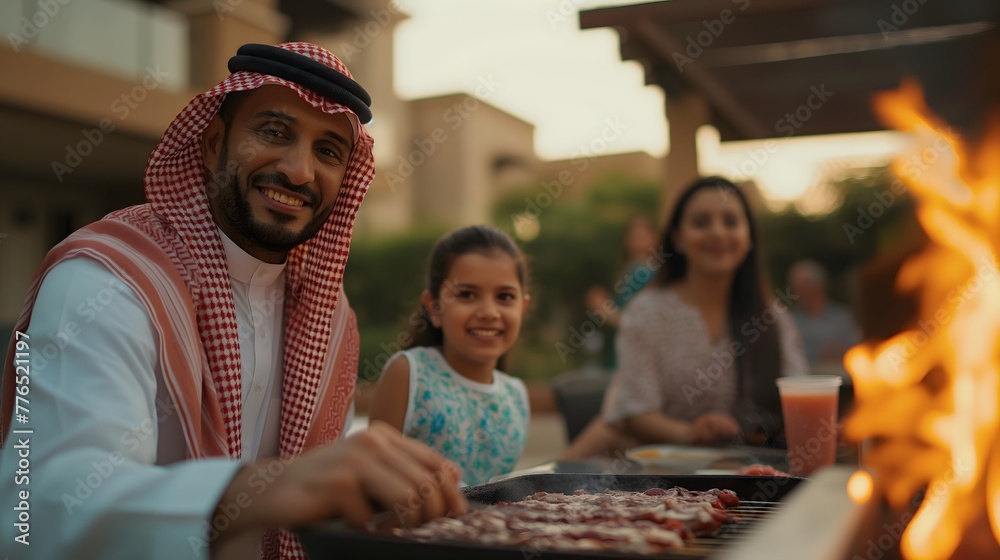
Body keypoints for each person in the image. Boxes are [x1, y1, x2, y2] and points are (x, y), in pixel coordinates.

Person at [0, 42, 465, 560]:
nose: (300, 172)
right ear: (213, 143)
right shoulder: (108, 278)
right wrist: (268, 486)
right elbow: (42, 508)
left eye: (328, 151)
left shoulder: (332, 319)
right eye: (274, 132)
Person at [561, 176, 808, 460]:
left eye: (730, 222)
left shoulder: (774, 319)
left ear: (749, 236)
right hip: (661, 474)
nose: (717, 232)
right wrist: (691, 433)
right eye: (701, 222)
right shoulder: (648, 313)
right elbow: (633, 412)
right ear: (677, 236)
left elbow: (801, 399)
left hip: (753, 474)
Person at [368, 225, 532, 486]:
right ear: (434, 308)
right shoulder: (410, 374)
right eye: (467, 294)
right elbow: (373, 476)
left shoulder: (516, 397)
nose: (489, 312)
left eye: (504, 297)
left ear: (522, 307)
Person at [583, 214, 660, 368]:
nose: (636, 240)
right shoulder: (633, 270)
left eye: (641, 236)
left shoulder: (646, 272)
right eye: (632, 236)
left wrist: (603, 308)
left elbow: (642, 324)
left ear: (655, 238)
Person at [788, 259, 859, 368]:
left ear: (819, 286)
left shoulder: (843, 317)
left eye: (804, 286)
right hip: (805, 376)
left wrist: (839, 351)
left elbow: (857, 346)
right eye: (797, 287)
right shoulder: (790, 321)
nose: (798, 293)